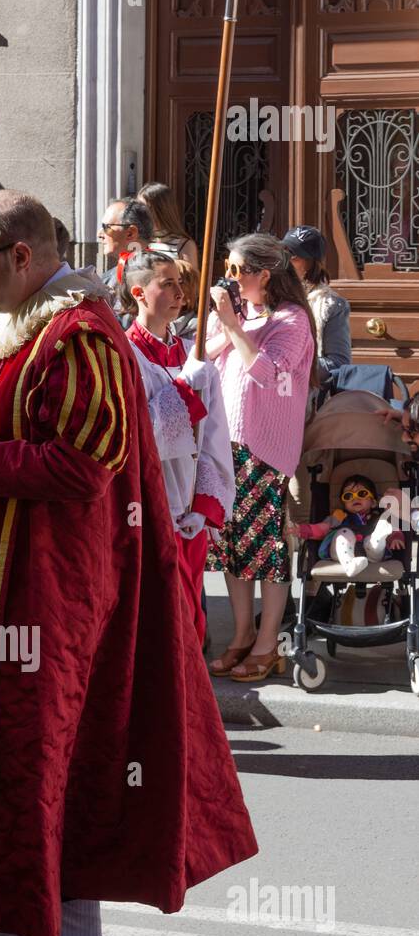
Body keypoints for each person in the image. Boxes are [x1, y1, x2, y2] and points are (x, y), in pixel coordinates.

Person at [0, 189, 257, 936]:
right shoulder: (42, 328)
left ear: (21, 255)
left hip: (48, 598)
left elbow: (82, 464)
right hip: (34, 583)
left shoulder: (74, 337)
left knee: (18, 770)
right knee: (65, 771)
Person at [205, 234, 316, 682]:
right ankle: (242, 633)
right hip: (223, 443)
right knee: (231, 542)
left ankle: (268, 643)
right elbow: (202, 355)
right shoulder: (240, 314)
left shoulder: (291, 320)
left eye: (236, 271)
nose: (229, 278)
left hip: (264, 448)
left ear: (264, 275)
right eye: (227, 269)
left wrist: (233, 327)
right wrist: (225, 323)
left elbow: (268, 373)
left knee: (266, 545)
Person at [121, 253, 234, 645]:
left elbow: (213, 438)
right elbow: (140, 435)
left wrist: (204, 506)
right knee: (156, 625)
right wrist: (184, 388)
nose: (179, 293)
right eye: (166, 284)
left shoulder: (194, 354)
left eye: (179, 283)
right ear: (139, 293)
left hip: (188, 509)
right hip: (146, 508)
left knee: (189, 621)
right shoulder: (124, 356)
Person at [282, 225, 351, 379]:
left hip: (304, 389)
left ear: (310, 264)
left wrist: (289, 365)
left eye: (292, 256)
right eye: (283, 253)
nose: (285, 261)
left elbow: (338, 363)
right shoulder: (266, 295)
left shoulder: (330, 305)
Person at [136, 182, 200, 269]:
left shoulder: (185, 245)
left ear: (161, 210)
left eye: (144, 208)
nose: (139, 213)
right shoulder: (139, 241)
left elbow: (190, 277)